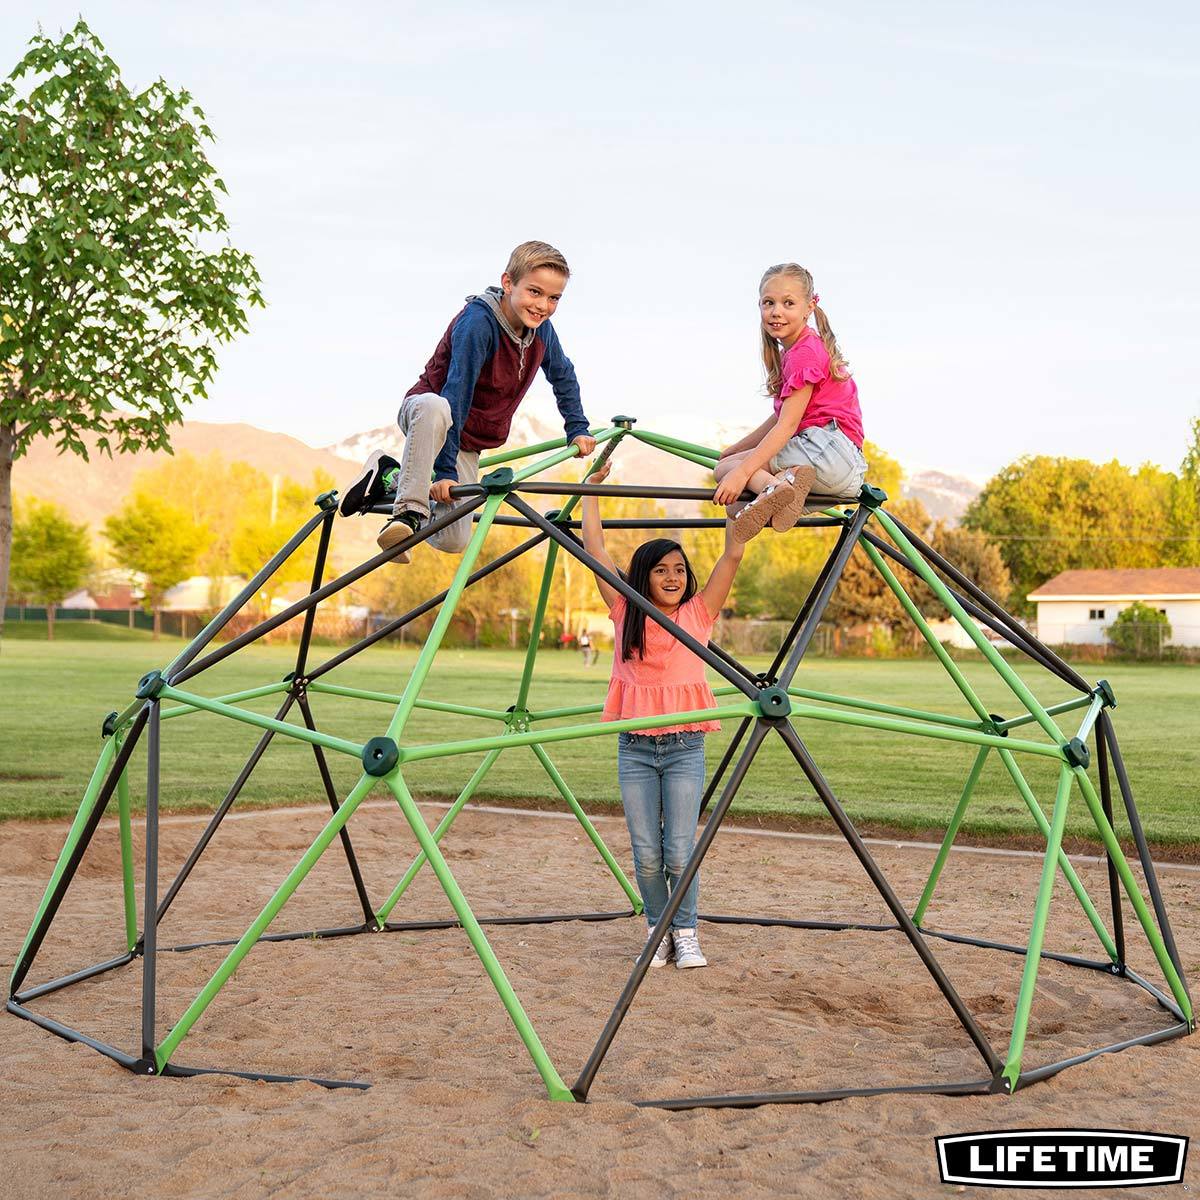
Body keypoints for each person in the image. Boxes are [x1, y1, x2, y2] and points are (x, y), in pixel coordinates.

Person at [582, 460, 745, 969]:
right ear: (642, 576)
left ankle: (687, 931)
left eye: (679, 569)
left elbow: (733, 553)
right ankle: (657, 930)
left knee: (678, 850)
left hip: (683, 748)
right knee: (646, 850)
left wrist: (736, 500)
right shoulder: (625, 609)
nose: (672, 577)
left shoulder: (699, 613)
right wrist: (588, 492)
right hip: (635, 747)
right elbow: (595, 551)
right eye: (661, 569)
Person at [340, 241, 596, 561]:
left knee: (453, 539)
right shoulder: (479, 323)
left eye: (554, 298)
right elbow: (456, 393)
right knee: (436, 407)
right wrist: (445, 470)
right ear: (508, 283)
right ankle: (408, 513)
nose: (543, 305)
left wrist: (577, 426)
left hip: (466, 440)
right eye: (534, 292)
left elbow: (563, 374)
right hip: (428, 414)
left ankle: (390, 477)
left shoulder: (541, 331)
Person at [712, 263, 868, 541]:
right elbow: (782, 416)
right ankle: (780, 490)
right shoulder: (806, 348)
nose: (776, 311)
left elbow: (787, 425)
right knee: (736, 499)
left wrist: (740, 470)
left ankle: (776, 487)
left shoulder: (803, 353)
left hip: (826, 450)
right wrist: (736, 448)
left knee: (726, 471)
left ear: (809, 307)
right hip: (843, 466)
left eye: (788, 303)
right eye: (768, 303)